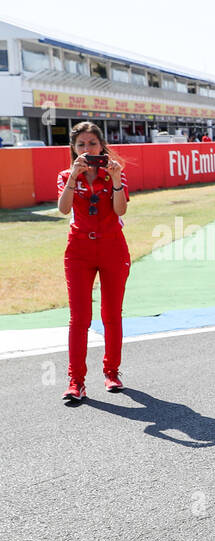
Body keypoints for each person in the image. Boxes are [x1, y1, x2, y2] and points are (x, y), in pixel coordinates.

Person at [55, 121, 130, 402]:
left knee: (111, 315)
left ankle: (112, 373)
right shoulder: (66, 175)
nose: (88, 150)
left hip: (112, 248)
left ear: (102, 146)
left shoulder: (114, 174)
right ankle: (76, 381)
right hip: (79, 251)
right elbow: (63, 209)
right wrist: (74, 177)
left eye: (92, 144)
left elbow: (120, 209)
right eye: (81, 145)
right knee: (79, 318)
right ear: (73, 149)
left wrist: (118, 180)